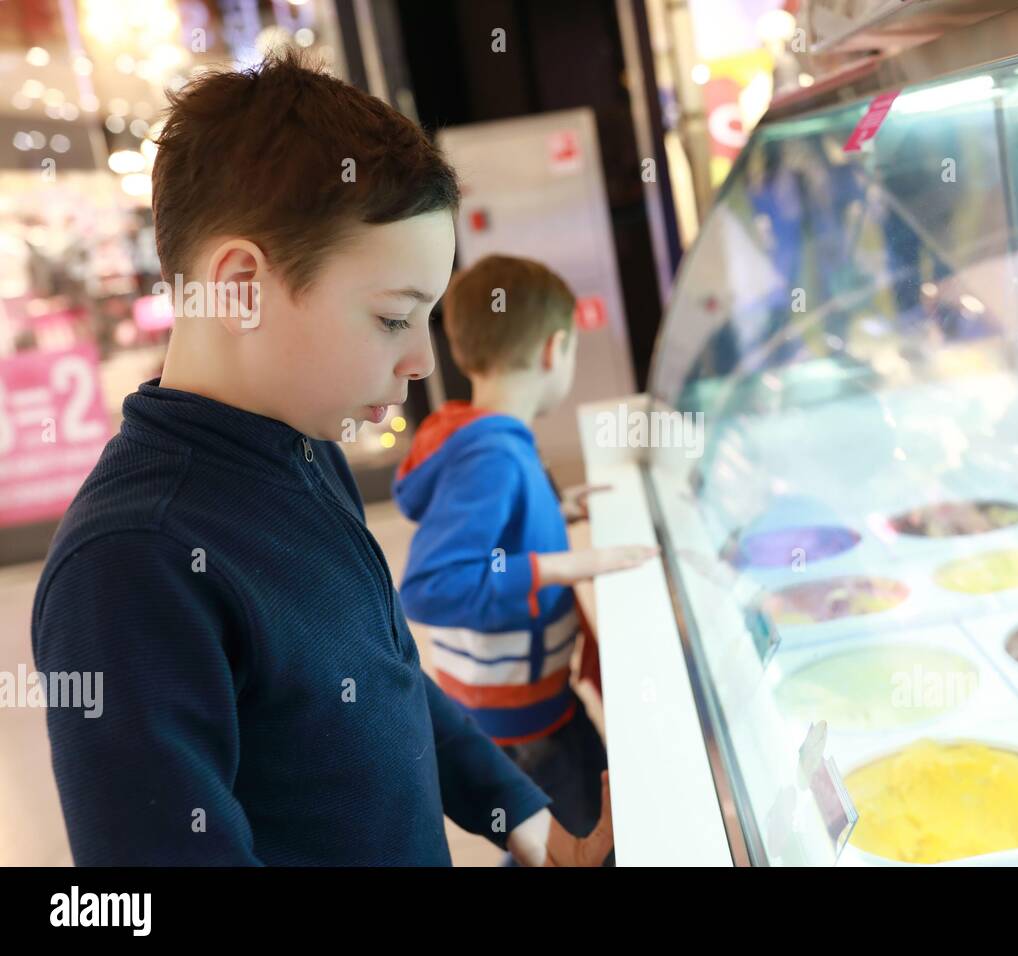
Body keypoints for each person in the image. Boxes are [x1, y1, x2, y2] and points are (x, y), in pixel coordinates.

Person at [31, 48, 610, 866]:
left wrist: (529, 822)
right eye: (391, 318)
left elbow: (392, 681)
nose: (420, 363)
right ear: (237, 287)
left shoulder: (307, 453)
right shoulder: (129, 565)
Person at [395, 254, 657, 864]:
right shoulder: (491, 455)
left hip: (520, 709)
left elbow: (488, 535)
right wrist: (559, 566)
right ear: (554, 349)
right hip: (522, 722)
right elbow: (432, 585)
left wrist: (556, 511)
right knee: (586, 846)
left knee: (547, 837)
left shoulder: (482, 437)